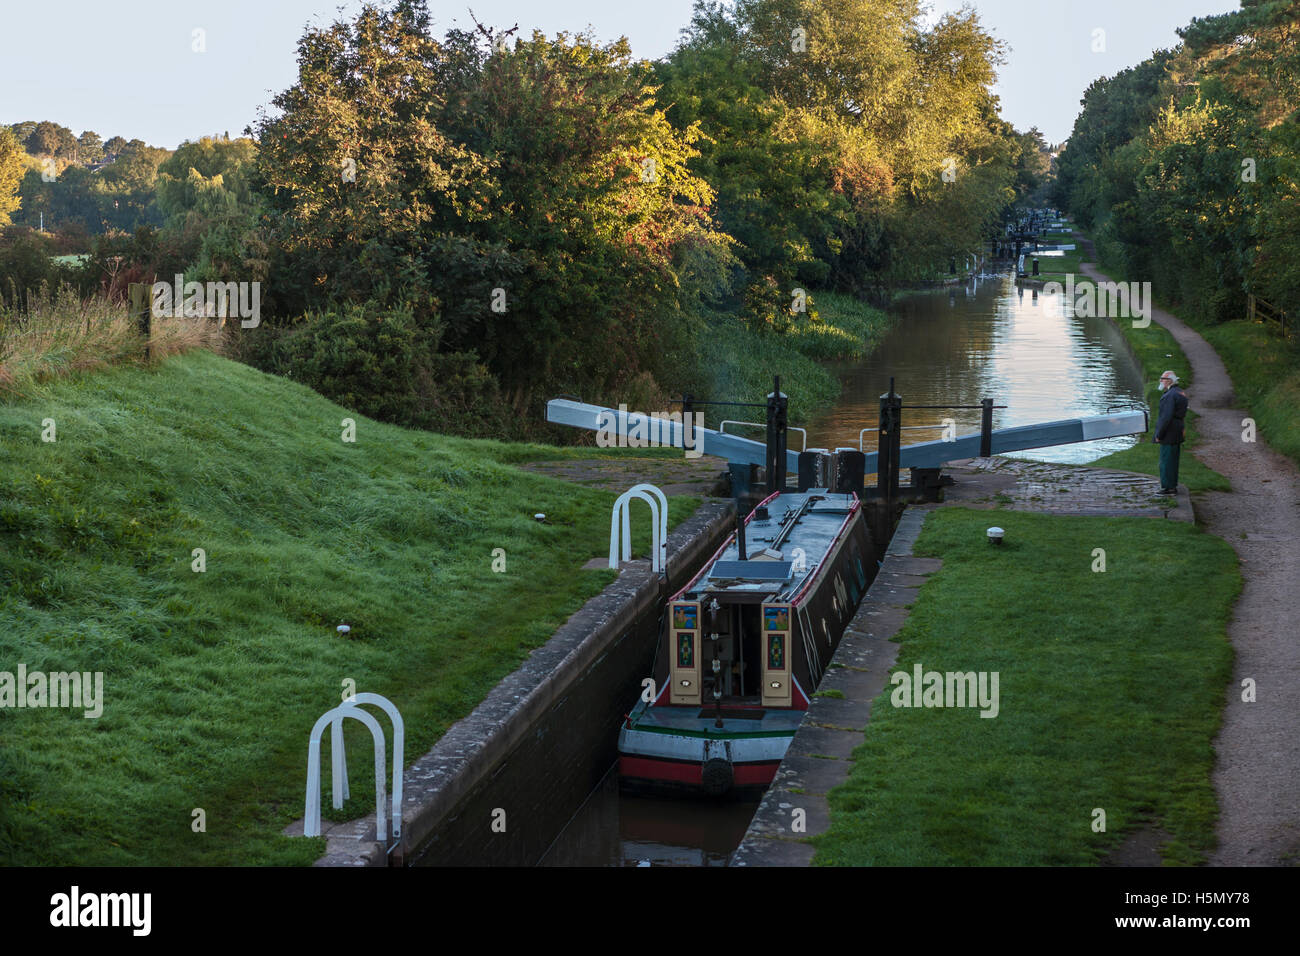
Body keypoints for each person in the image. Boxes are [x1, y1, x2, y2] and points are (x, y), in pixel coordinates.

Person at [1154, 370, 1188, 494]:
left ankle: (1168, 487)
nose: (1160, 380)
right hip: (1177, 430)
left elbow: (1165, 417)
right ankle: (1172, 485)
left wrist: (1159, 434)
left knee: (1166, 461)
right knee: (1173, 460)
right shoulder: (1180, 392)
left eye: (1162, 378)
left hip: (1169, 432)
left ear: (1170, 381)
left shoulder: (1169, 396)